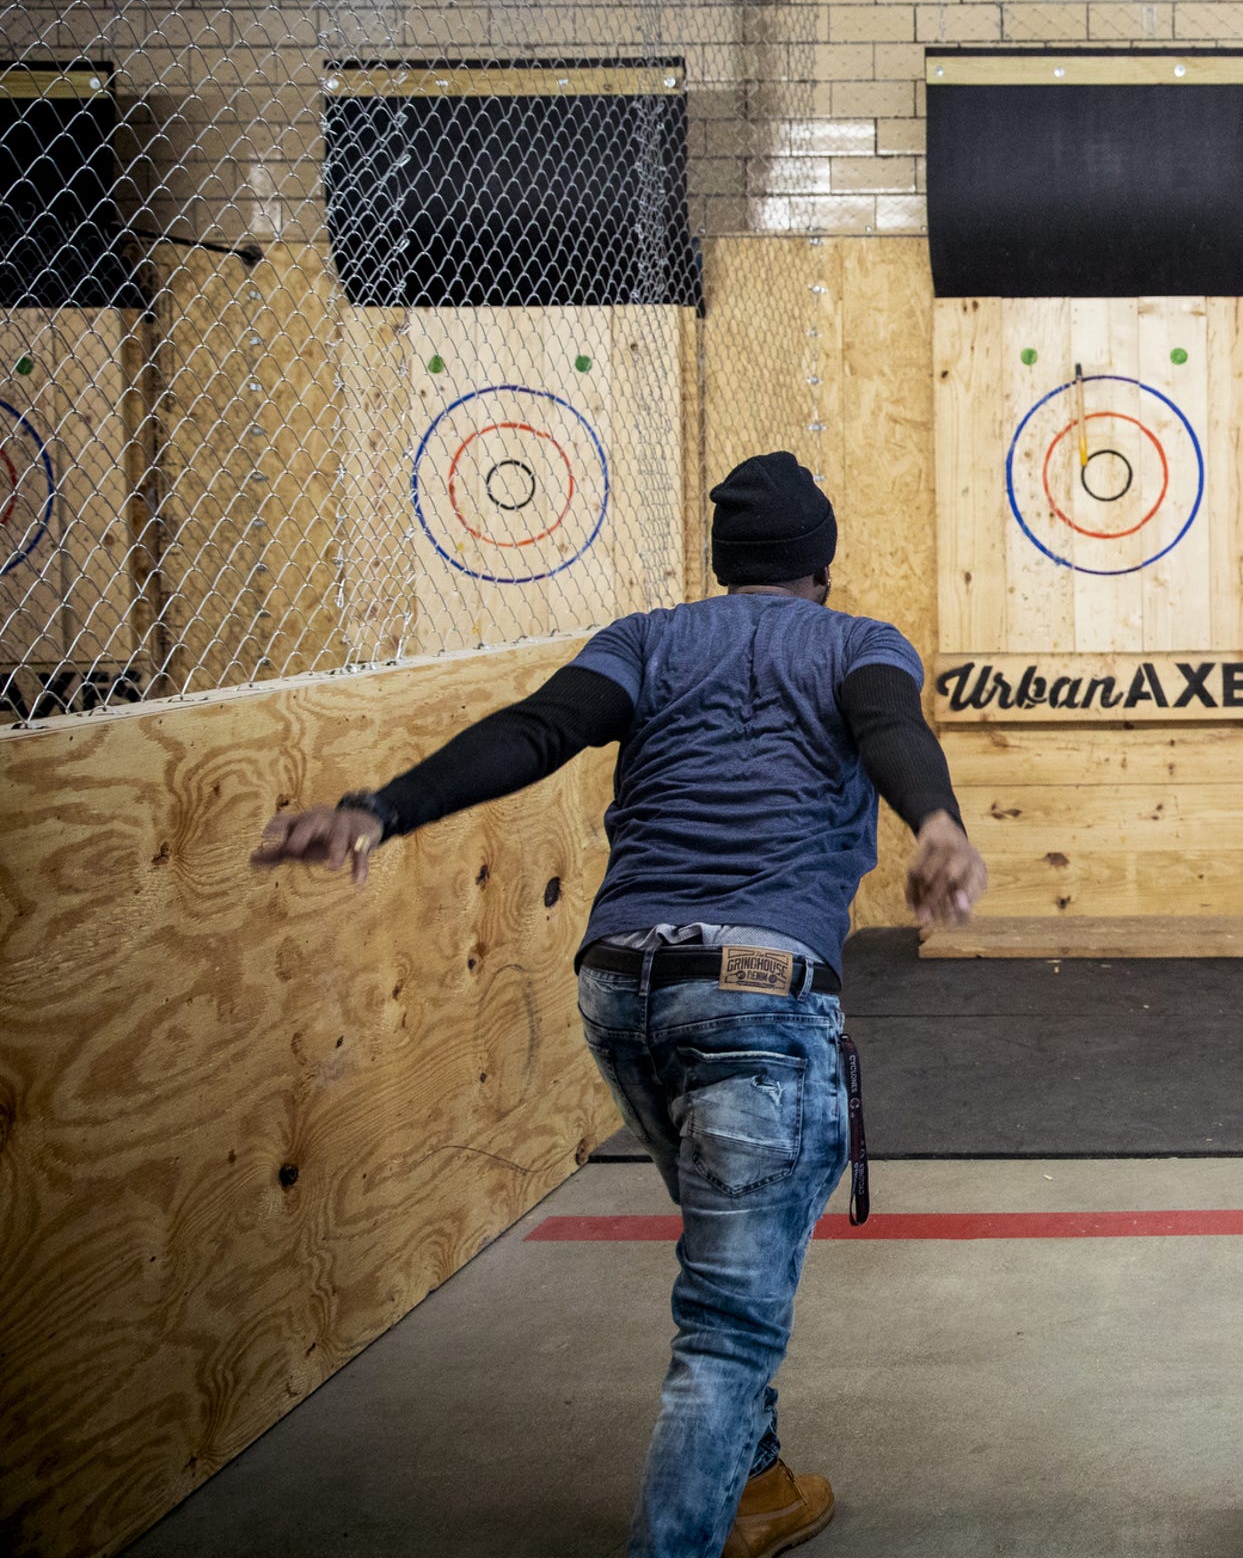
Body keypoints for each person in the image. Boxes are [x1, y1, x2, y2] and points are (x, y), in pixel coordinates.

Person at [255, 451, 988, 1558]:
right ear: (821, 570)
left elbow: (537, 729)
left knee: (723, 1232)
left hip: (624, 989)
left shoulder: (647, 638)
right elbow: (890, 727)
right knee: (729, 1328)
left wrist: (378, 811)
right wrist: (936, 823)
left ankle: (753, 1490)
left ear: (721, 562)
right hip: (756, 996)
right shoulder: (859, 642)